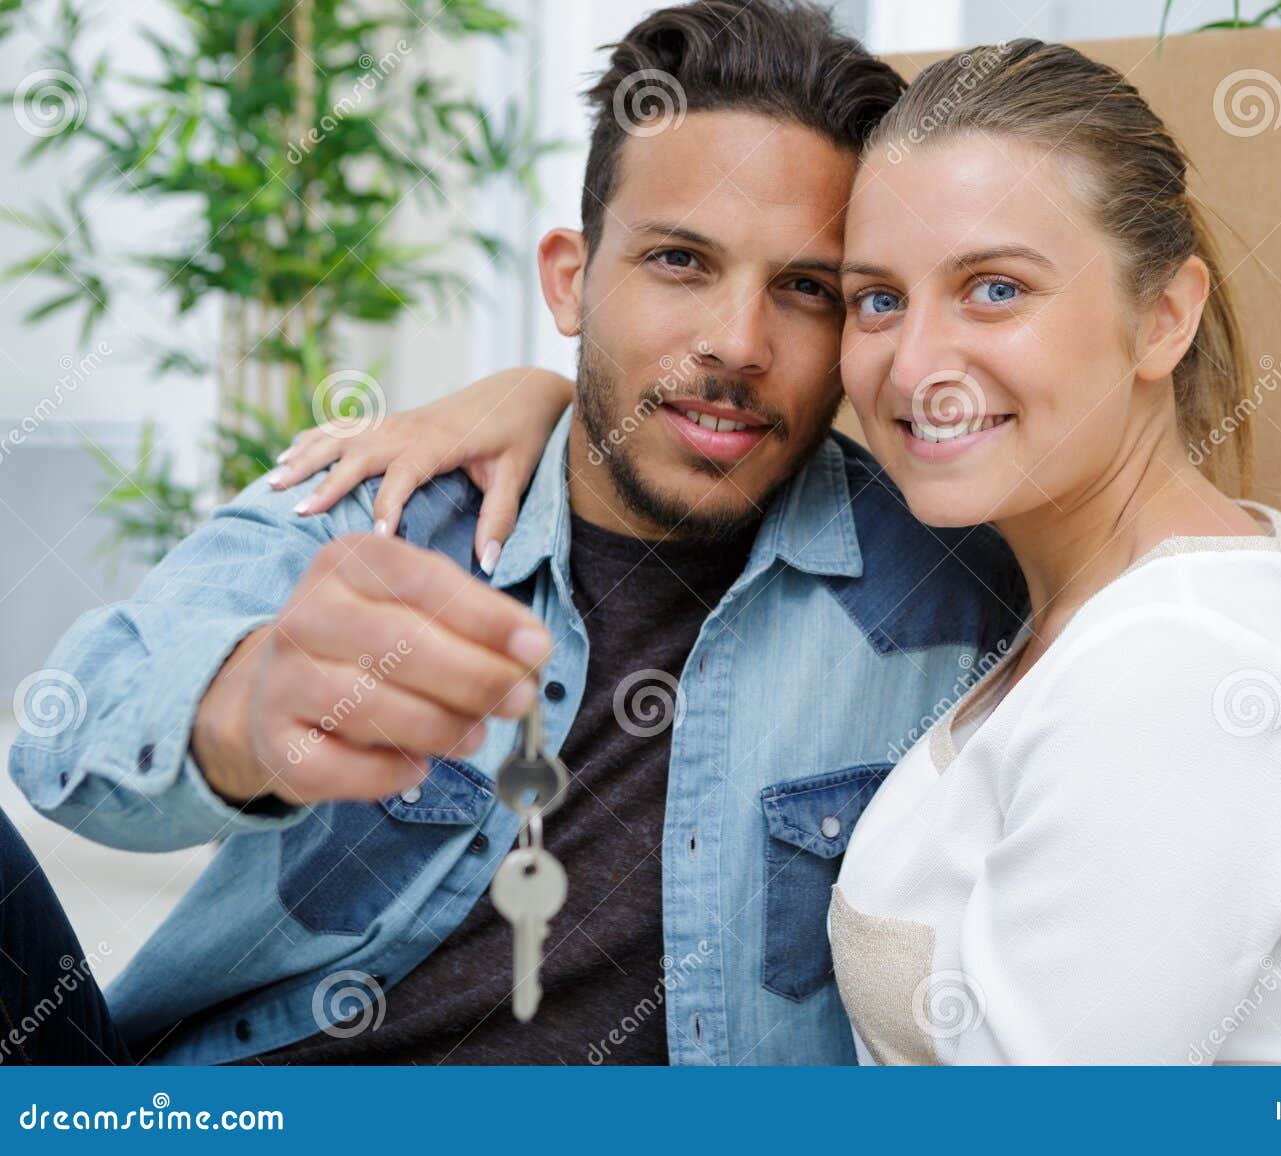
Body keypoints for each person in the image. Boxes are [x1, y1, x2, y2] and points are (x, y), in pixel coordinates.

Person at [277, 41, 1281, 1064]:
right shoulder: (1048, 597)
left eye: (996, 289)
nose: (918, 364)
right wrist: (547, 401)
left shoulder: (1178, 674)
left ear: (1162, 317)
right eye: (873, 298)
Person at [4, 0, 1024, 1065]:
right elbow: (68, 742)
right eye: (679, 261)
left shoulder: (948, 594)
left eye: (806, 288)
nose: (736, 343)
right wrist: (244, 712)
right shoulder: (390, 501)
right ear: (570, 280)